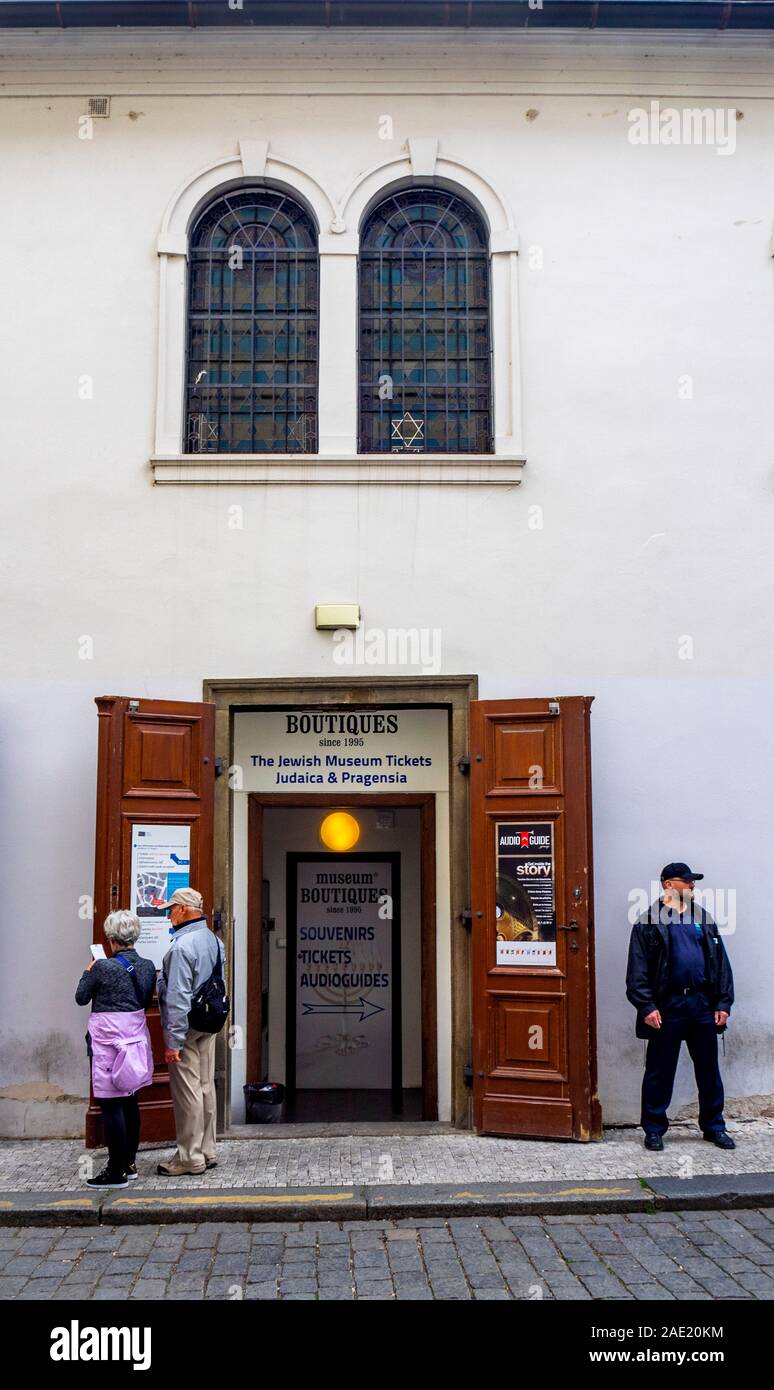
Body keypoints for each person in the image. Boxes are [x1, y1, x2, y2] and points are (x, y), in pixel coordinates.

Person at [626, 862, 735, 1152]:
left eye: (692, 883)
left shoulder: (703, 918)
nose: (692, 887)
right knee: (659, 1072)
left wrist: (723, 1002)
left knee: (709, 1072)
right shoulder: (648, 921)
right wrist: (647, 1006)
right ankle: (653, 1129)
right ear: (667, 885)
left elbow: (721, 964)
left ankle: (714, 1127)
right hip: (667, 1007)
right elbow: (637, 972)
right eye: (686, 882)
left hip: (700, 1004)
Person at [76, 909, 156, 1188]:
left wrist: (88, 972)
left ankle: (116, 1171)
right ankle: (130, 1164)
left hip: (108, 1041)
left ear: (111, 938)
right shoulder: (147, 965)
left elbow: (80, 997)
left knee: (110, 1103)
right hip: (134, 1037)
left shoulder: (102, 967)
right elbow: (145, 1000)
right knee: (130, 1098)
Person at [156, 887, 225, 1177]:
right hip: (209, 1022)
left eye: (171, 909)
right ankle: (208, 1150)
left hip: (187, 1025)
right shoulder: (214, 940)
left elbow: (179, 995)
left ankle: (189, 1157)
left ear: (184, 909)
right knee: (206, 1086)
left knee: (188, 1092)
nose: (169, 915)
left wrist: (173, 1040)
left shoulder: (181, 947)